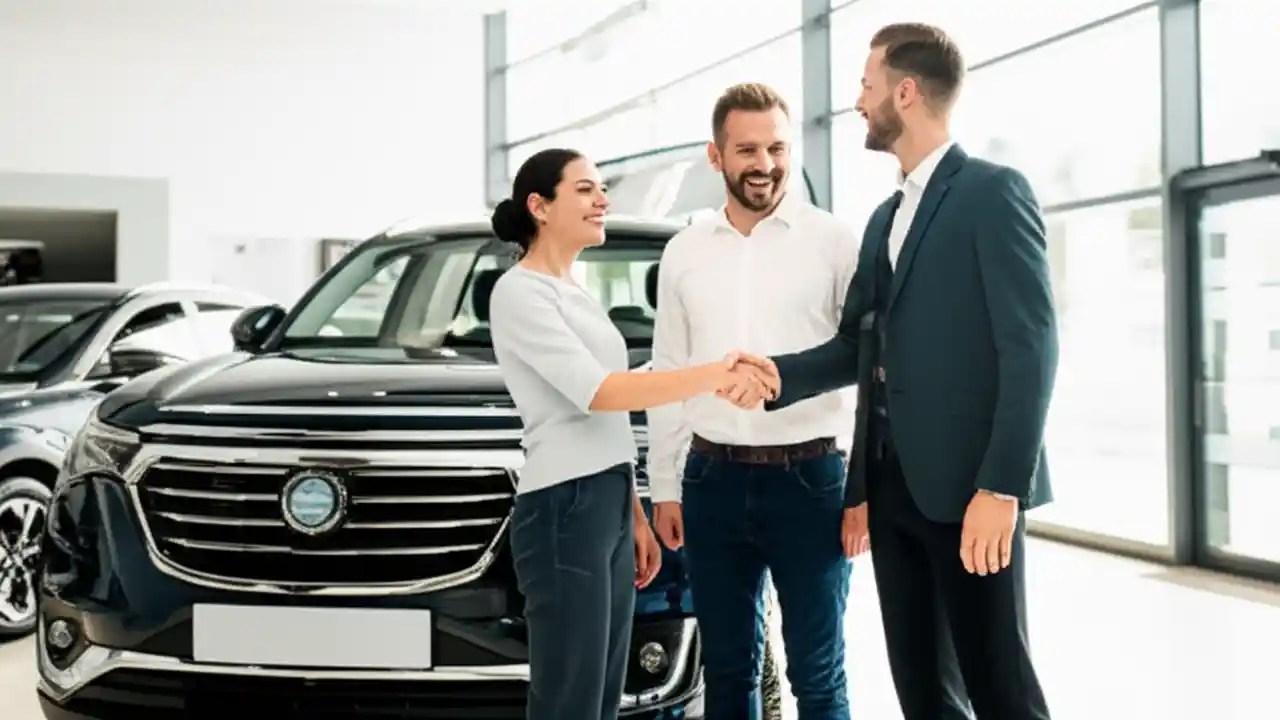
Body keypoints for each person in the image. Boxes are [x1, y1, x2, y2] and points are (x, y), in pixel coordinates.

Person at [739, 22, 1058, 720]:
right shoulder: (885, 217)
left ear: (905, 93)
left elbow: (1032, 349)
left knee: (1000, 684)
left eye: (867, 84)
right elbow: (857, 346)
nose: (858, 100)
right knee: (923, 692)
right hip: (894, 490)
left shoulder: (993, 193)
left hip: (972, 492)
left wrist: (1002, 488)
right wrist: (774, 375)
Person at [486, 147, 776, 720]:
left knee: (599, 700)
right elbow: (599, 392)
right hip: (563, 507)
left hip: (603, 502)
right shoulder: (520, 291)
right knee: (570, 699)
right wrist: (715, 376)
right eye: (586, 190)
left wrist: (634, 512)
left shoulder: (571, 291)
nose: (603, 201)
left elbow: (610, 412)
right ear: (539, 206)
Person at [646, 83, 865, 720]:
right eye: (746, 149)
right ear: (715, 157)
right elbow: (668, 372)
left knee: (818, 675)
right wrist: (665, 486)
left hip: (813, 482)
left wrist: (865, 489)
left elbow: (866, 363)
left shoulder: (835, 242)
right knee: (728, 670)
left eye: (776, 147)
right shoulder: (683, 250)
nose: (764, 164)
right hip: (711, 480)